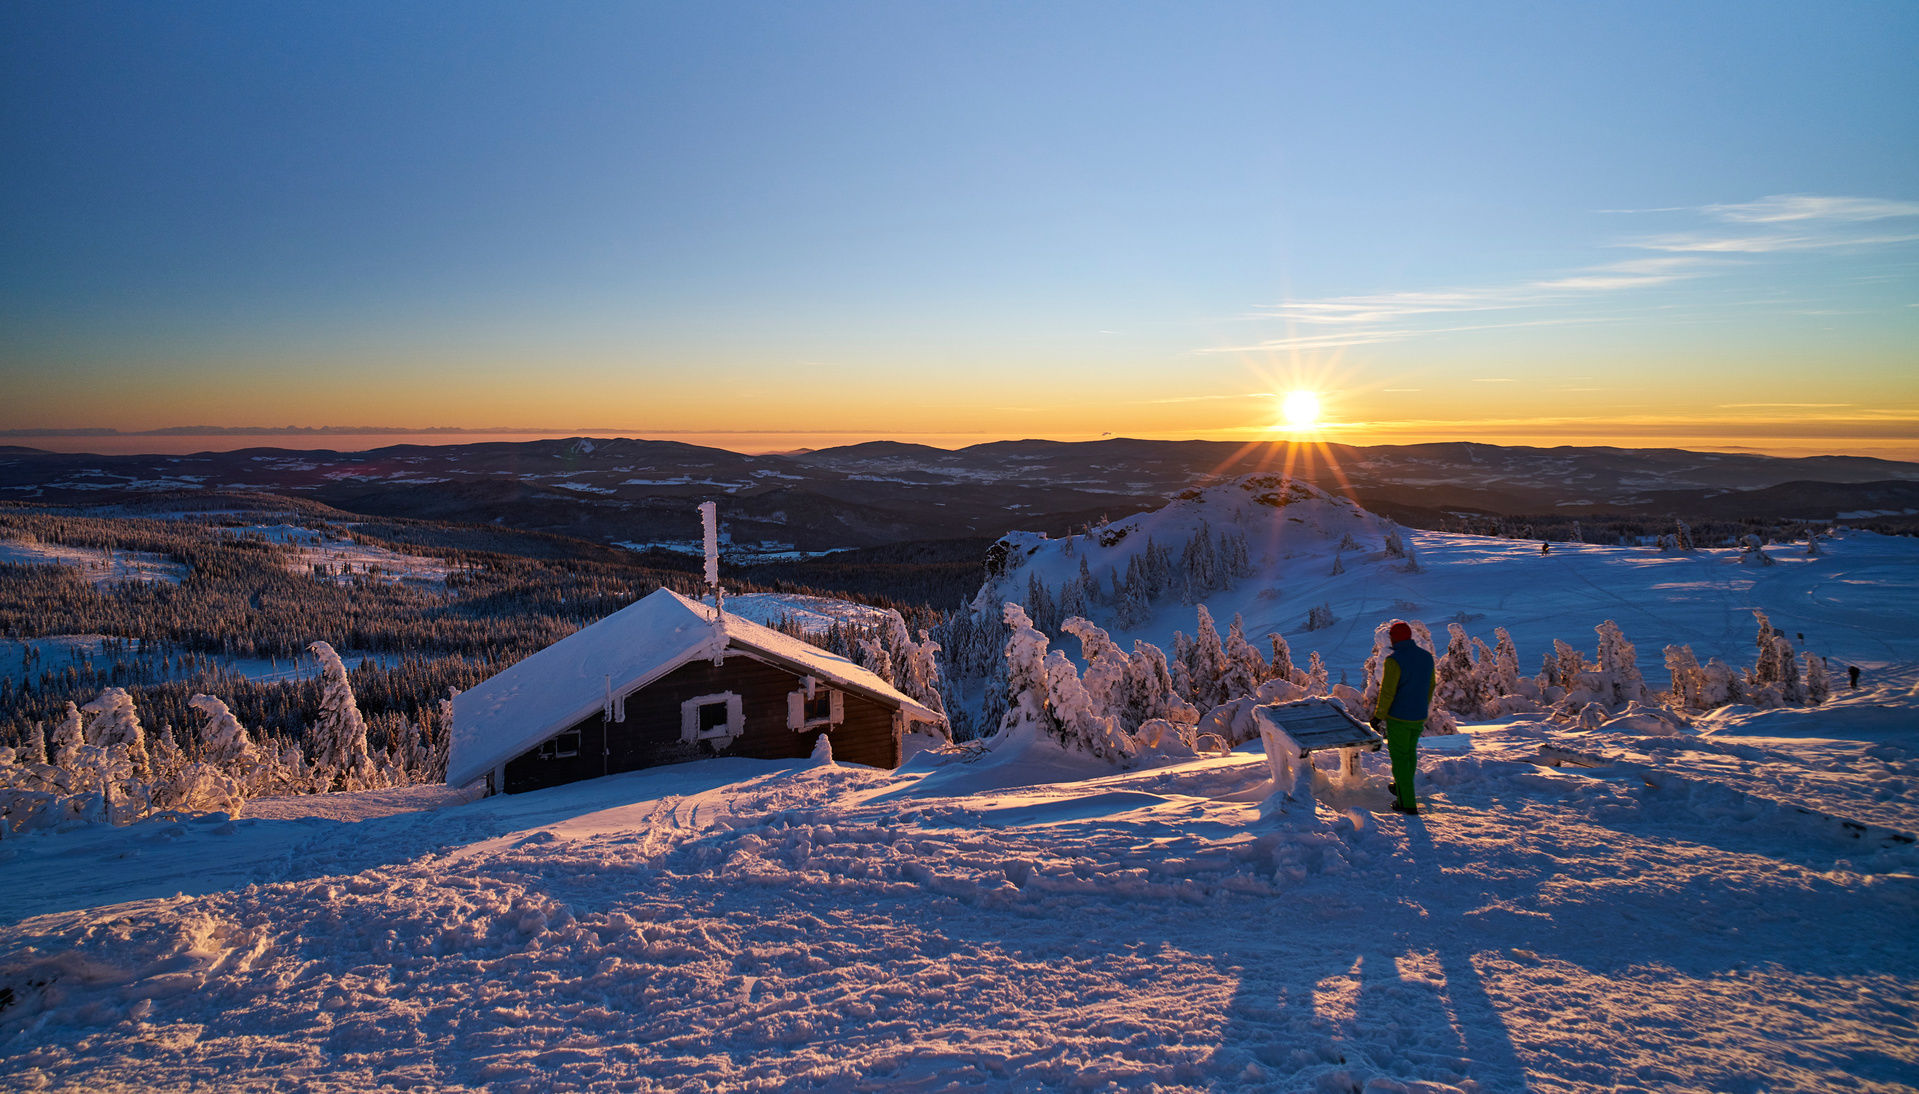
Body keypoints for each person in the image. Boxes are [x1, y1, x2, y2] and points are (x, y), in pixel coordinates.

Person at [1372, 621, 1436, 815]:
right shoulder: (1426, 657)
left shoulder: (1394, 660)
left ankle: (1406, 802)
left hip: (1399, 717)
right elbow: (1430, 686)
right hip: (1418, 716)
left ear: (1394, 638)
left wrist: (1378, 716)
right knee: (1409, 755)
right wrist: (1422, 706)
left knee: (1399, 759)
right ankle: (1401, 786)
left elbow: (1388, 692)